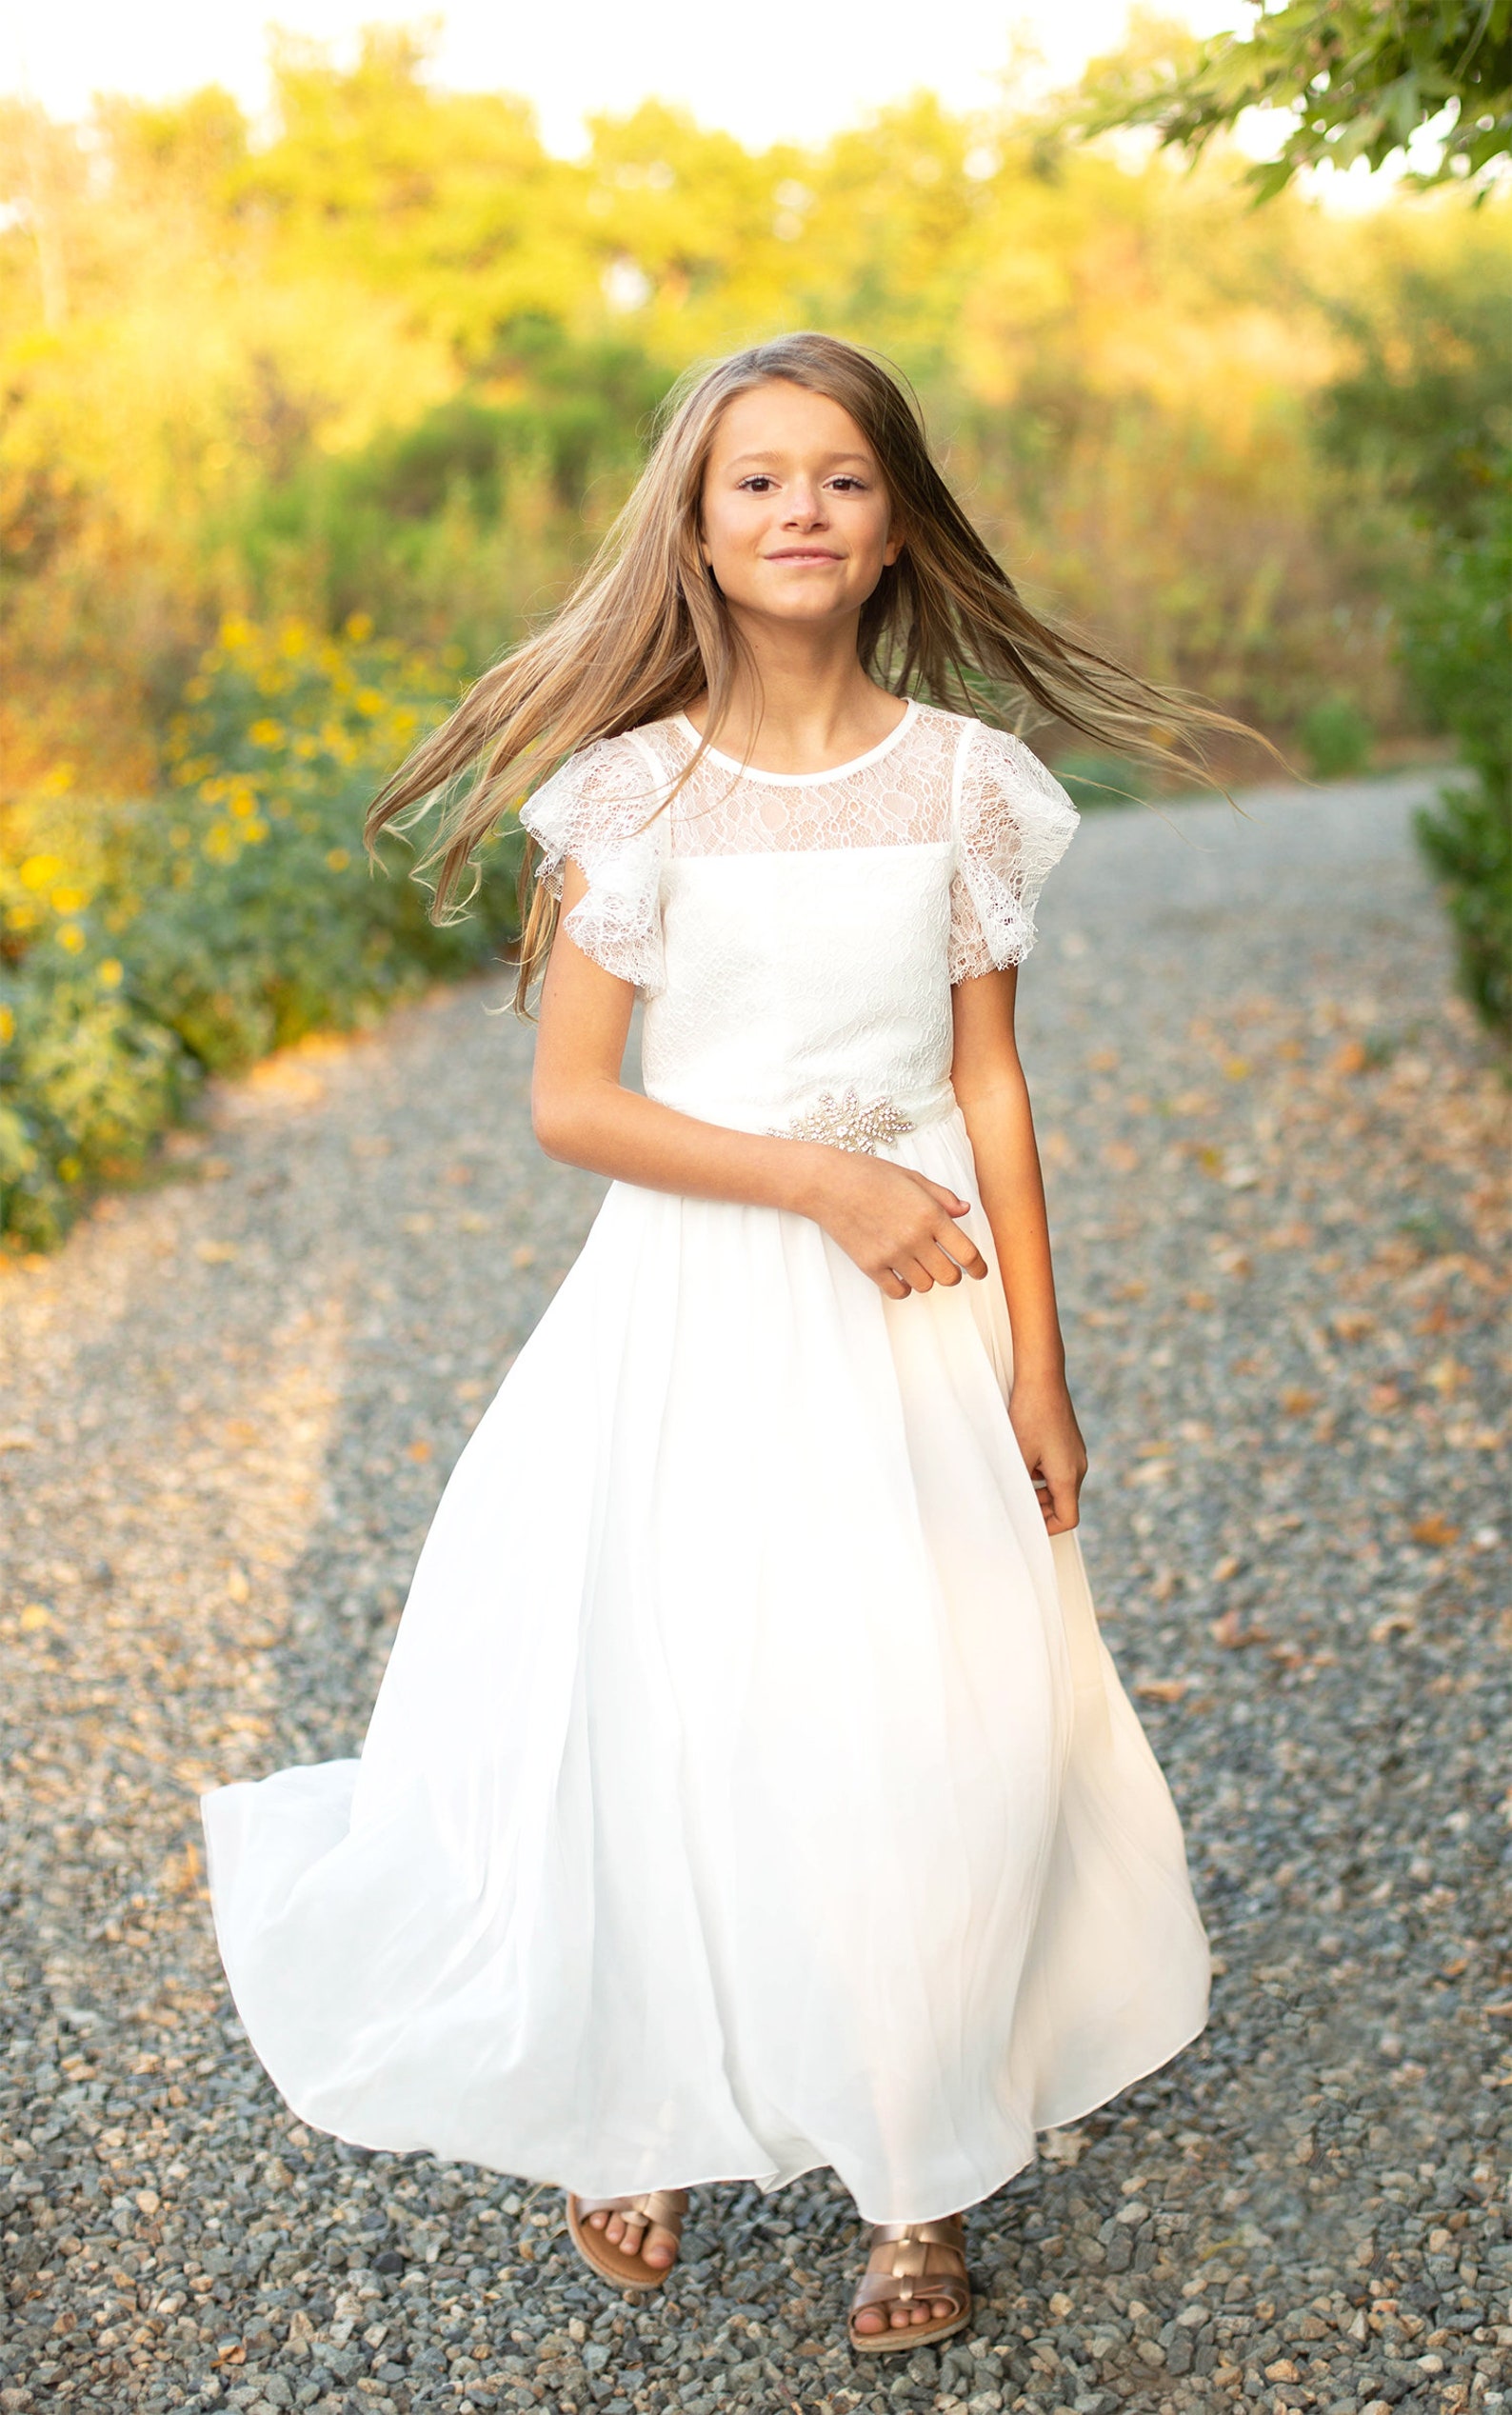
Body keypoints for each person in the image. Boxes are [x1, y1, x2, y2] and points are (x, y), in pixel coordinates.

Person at [202, 332, 1222, 2357]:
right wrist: (816, 1183)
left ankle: (916, 2165)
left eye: (840, 477)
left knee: (930, 1718)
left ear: (897, 515)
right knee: (675, 1705)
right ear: (692, 517)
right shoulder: (637, 787)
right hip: (694, 1306)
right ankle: (641, 2084)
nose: (798, 513)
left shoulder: (964, 786)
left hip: (920, 1319)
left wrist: (1041, 1355)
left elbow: (990, 1092)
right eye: (756, 479)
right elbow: (575, 1099)